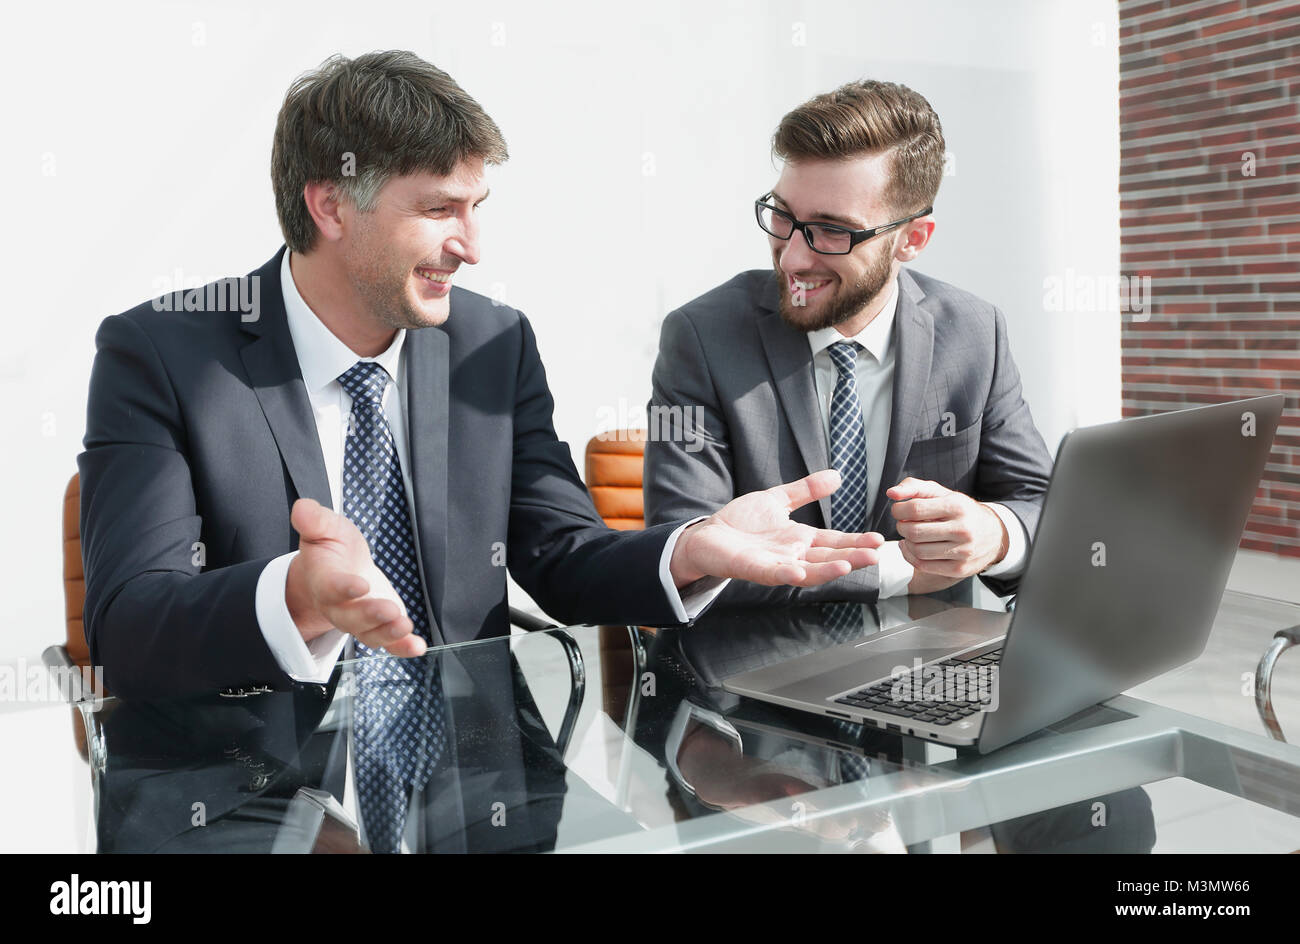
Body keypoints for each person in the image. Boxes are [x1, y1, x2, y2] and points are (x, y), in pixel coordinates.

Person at [78, 50, 885, 704]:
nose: (471, 246)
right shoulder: (162, 355)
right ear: (329, 206)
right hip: (259, 793)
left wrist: (693, 550)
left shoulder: (490, 346)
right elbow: (130, 624)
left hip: (478, 787)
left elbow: (562, 554)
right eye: (438, 210)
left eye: (477, 206)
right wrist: (295, 593)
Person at [644, 80, 1054, 609]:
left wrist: (996, 533)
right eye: (783, 217)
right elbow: (689, 556)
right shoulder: (702, 337)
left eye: (832, 231)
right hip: (751, 674)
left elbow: (1045, 507)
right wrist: (895, 570)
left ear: (912, 239)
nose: (792, 258)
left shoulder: (975, 332)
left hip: (934, 668)